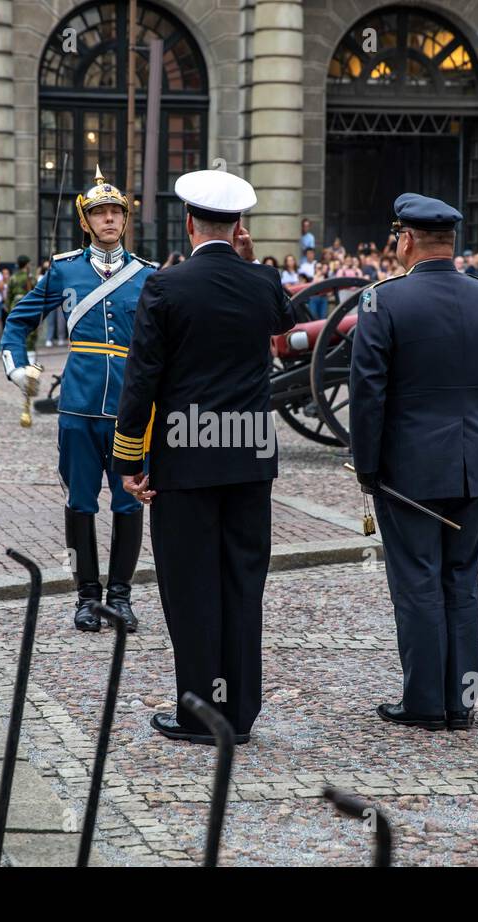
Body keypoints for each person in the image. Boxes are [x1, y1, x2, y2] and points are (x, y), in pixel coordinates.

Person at [112, 168, 295, 746]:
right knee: (243, 582)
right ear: (239, 225)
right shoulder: (263, 282)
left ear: (187, 223)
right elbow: (286, 324)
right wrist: (254, 260)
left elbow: (142, 380)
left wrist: (128, 457)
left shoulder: (165, 287)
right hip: (247, 454)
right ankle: (239, 712)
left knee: (191, 586)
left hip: (186, 455)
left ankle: (199, 712)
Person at [349, 193, 478, 731]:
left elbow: (367, 393)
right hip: (474, 464)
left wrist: (367, 466)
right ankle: (460, 700)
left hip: (409, 468)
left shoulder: (384, 301)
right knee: (462, 579)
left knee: (418, 580)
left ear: (405, 239)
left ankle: (424, 701)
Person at [2, 167, 156, 632]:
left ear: (125, 221)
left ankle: (122, 598)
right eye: (99, 213)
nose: (109, 219)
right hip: (78, 407)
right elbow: (16, 322)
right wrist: (17, 367)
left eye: (116, 212)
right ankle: (87, 598)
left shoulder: (148, 275)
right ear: (85, 222)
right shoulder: (64, 269)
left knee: (128, 504)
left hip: (130, 412)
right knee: (81, 504)